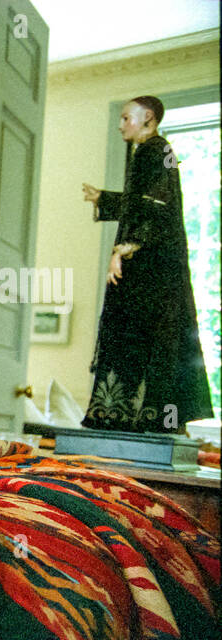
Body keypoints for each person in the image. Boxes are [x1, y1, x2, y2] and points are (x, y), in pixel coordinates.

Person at [79, 95, 213, 433]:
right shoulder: (159, 152)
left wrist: (124, 248)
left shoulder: (154, 150)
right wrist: (105, 200)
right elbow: (150, 203)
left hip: (149, 267)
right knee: (154, 335)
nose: (121, 124)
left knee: (135, 331)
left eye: (127, 118)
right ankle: (151, 420)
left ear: (148, 119)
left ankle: (130, 420)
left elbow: (155, 204)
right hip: (159, 266)